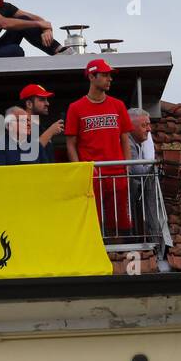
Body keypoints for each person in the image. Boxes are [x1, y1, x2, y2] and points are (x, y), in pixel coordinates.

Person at [65, 58, 133, 232]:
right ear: (91, 77)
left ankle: (118, 257)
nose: (109, 79)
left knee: (119, 223)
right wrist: (79, 169)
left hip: (117, 173)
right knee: (93, 222)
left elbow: (125, 138)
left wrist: (127, 166)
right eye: (104, 75)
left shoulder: (118, 105)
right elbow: (71, 143)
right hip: (91, 175)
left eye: (110, 75)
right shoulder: (75, 108)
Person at [126, 108, 172, 260]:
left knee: (151, 176)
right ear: (131, 126)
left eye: (149, 124)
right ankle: (155, 231)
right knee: (151, 178)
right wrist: (153, 169)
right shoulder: (128, 142)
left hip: (132, 194)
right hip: (127, 194)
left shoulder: (135, 142)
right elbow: (135, 170)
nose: (149, 129)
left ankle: (155, 230)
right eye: (144, 125)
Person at [19, 84, 64, 164]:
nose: (47, 103)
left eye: (46, 99)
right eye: (42, 99)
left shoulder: (40, 128)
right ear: (29, 104)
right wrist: (50, 132)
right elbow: (29, 155)